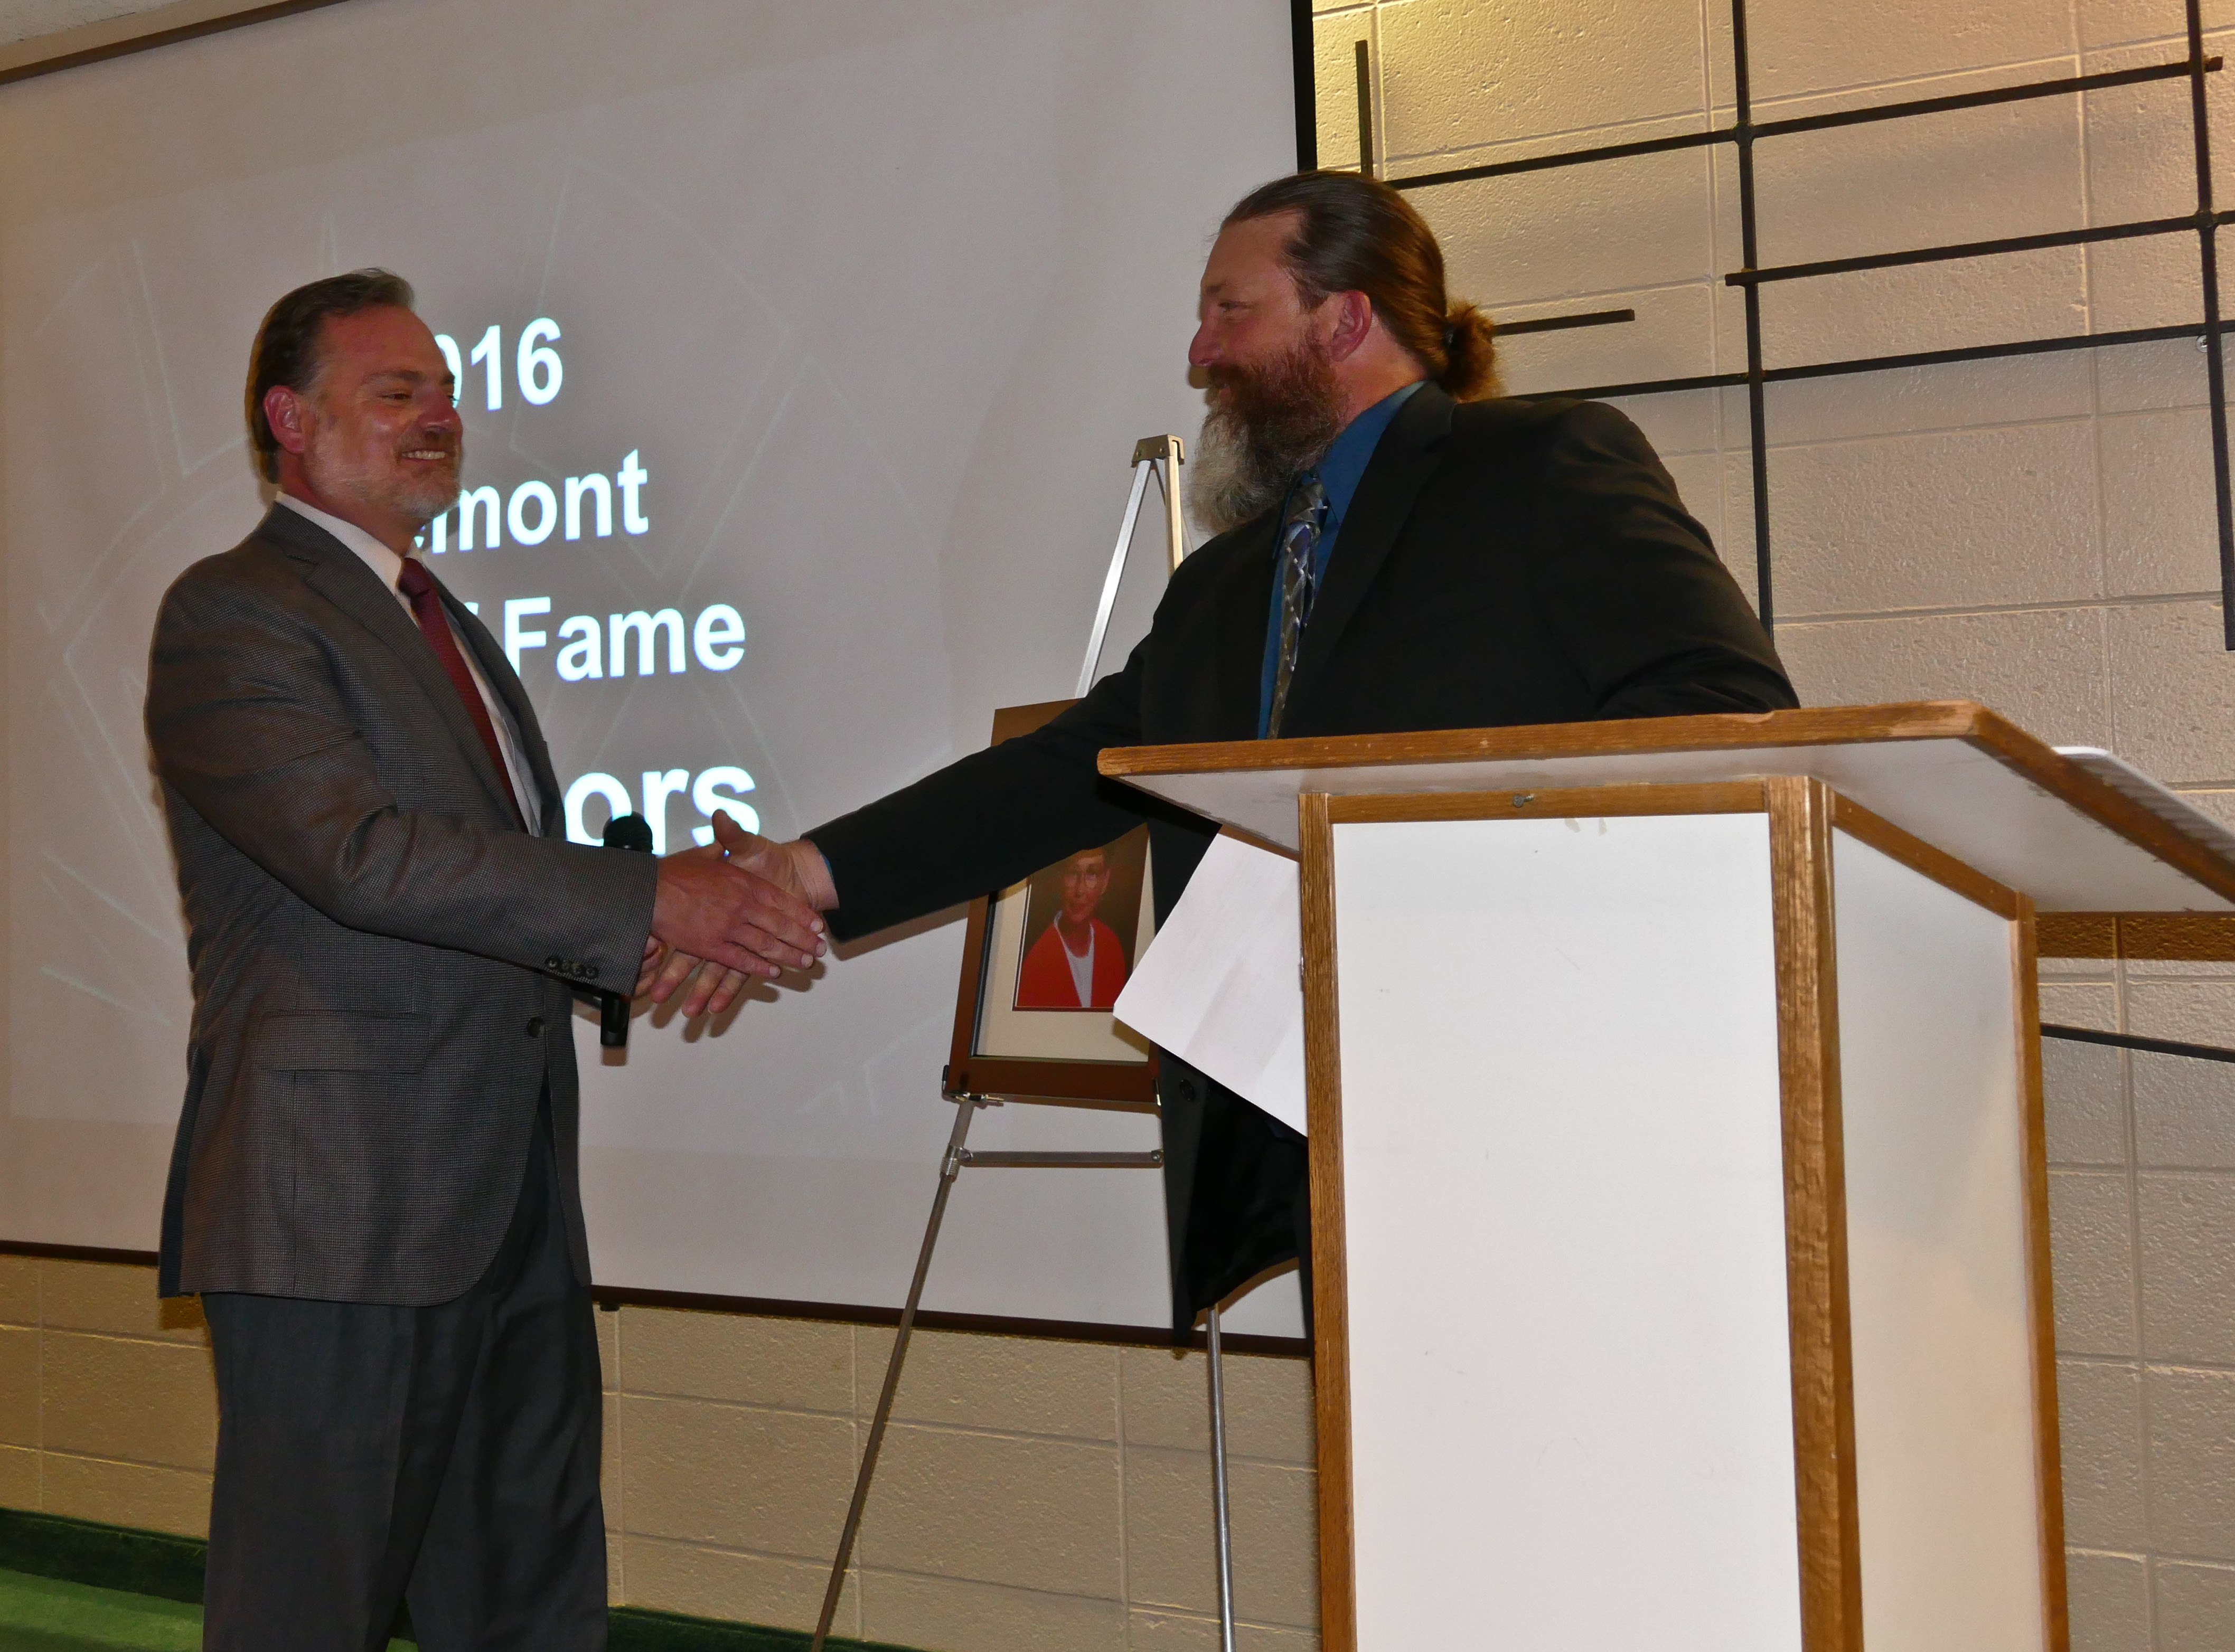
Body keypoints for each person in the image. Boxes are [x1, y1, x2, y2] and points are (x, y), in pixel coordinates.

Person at [660, 169, 1799, 1337]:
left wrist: (1448, 865)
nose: (1200, 352)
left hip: (1546, 1100)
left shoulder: (1540, 466)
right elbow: (1066, 770)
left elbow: (1723, 710)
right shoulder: (1225, 580)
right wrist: (805, 871)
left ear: (1343, 319)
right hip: (1320, 1122)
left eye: (1230, 310)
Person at [143, 270, 825, 1651]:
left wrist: (657, 922)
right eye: (397, 391)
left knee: (527, 1601)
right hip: (339, 1208)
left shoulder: (444, 621)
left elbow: (496, 886)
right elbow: (359, 854)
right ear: (291, 419)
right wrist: (649, 899)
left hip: (508, 1202)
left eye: (448, 393)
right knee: (308, 1614)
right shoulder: (233, 611)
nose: (440, 417)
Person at [1015, 846, 1129, 1009]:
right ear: (1060, 878)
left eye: (1092, 874)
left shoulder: (1111, 945)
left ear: (1105, 882)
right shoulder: (1036, 961)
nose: (1080, 890)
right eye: (1073, 873)